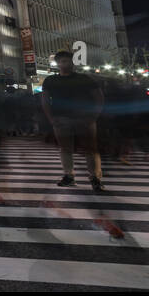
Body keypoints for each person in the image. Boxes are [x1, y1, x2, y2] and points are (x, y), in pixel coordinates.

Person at [40, 50, 105, 192]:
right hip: (61, 118)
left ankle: (95, 178)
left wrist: (94, 116)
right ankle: (69, 175)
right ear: (57, 64)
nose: (65, 63)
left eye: (68, 60)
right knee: (65, 148)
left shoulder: (85, 79)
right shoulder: (50, 80)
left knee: (90, 148)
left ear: (73, 62)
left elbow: (99, 98)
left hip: (85, 118)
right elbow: (45, 101)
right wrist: (52, 119)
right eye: (62, 61)